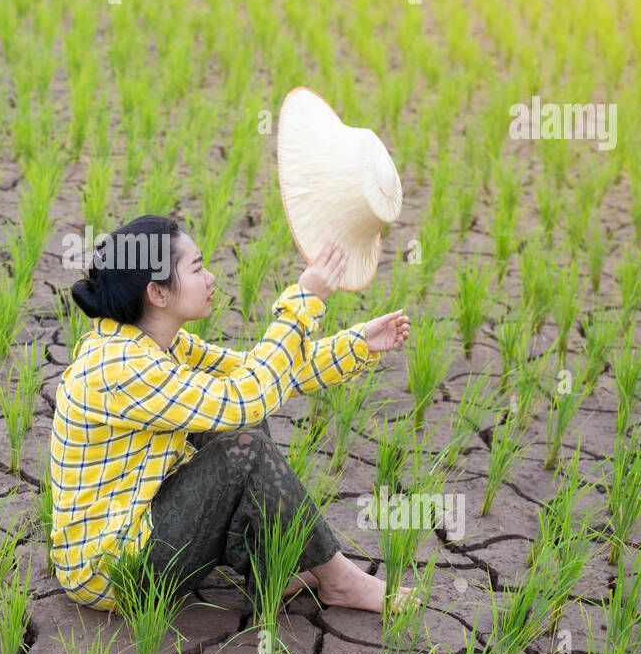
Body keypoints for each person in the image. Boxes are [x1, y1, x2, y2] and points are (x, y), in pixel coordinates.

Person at [49, 213, 416, 616]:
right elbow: (247, 395)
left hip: (144, 531)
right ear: (157, 293)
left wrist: (360, 342)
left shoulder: (160, 345)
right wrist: (303, 302)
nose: (210, 278)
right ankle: (339, 581)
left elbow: (265, 375)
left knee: (239, 420)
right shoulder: (123, 367)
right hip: (112, 574)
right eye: (196, 268)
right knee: (245, 444)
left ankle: (279, 563)